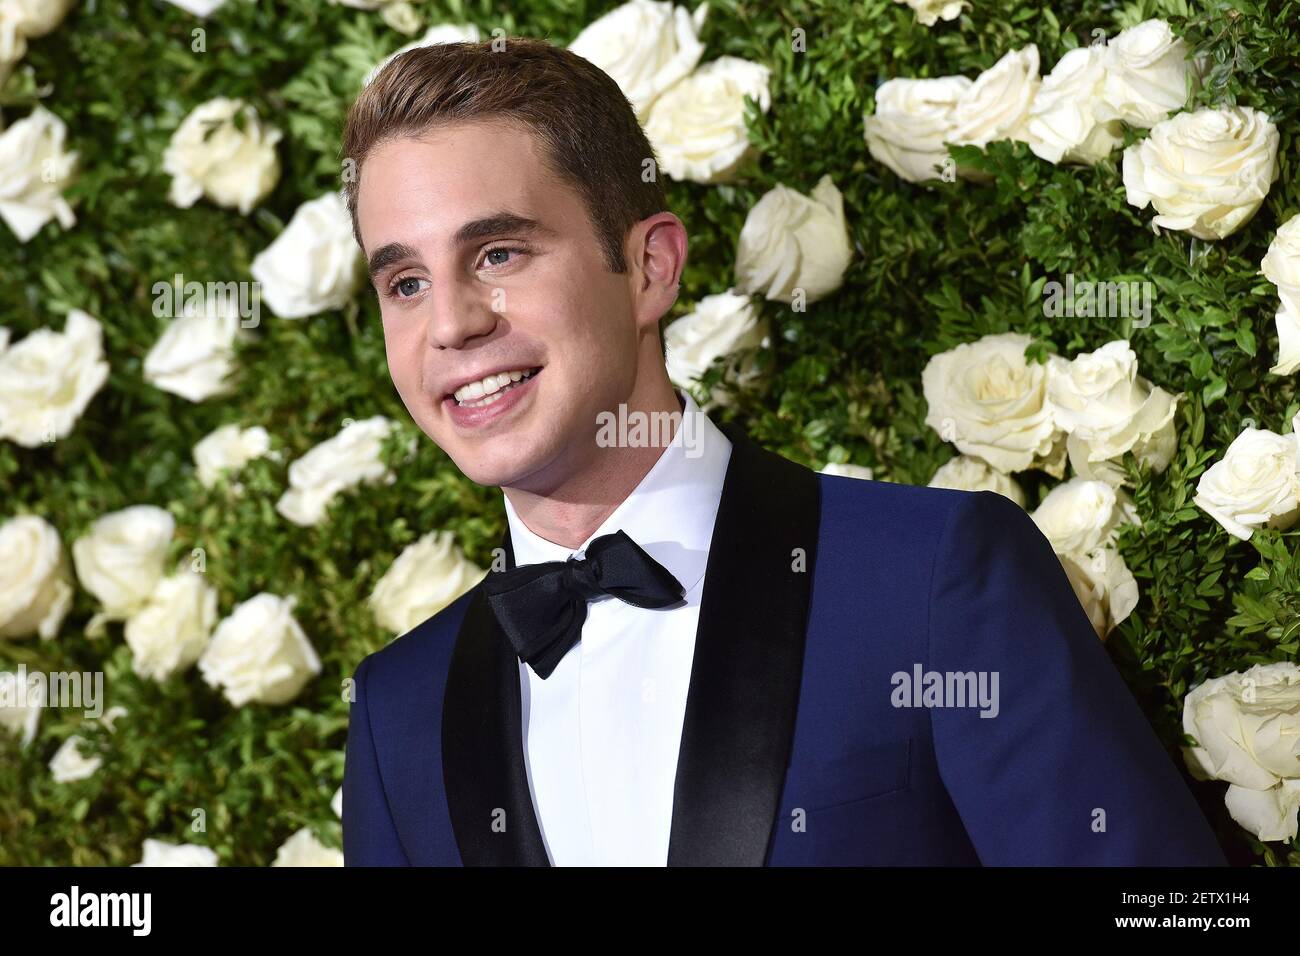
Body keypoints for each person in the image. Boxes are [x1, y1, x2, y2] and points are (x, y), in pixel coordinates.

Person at [339, 37, 1226, 866]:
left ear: (650, 267)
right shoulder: (397, 712)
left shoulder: (931, 579)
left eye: (498, 252)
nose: (451, 322)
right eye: (405, 282)